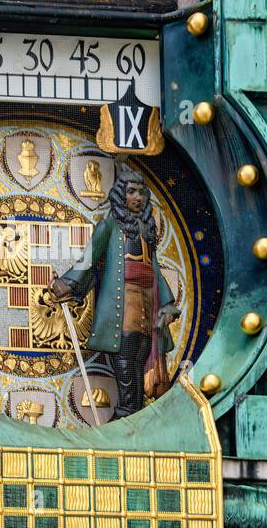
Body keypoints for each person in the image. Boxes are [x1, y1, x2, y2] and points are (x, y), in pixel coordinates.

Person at [50, 169, 180, 417]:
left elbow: (154, 270)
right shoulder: (109, 226)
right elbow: (89, 259)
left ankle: (132, 414)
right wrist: (68, 283)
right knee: (126, 362)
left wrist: (168, 304)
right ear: (121, 195)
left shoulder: (146, 231)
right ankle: (126, 415)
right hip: (124, 308)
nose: (138, 197)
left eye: (141, 192)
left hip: (146, 306)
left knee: (140, 361)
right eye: (131, 191)